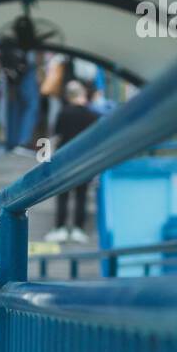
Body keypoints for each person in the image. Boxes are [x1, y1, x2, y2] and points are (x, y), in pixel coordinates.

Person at [44, 80, 99, 244]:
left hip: (64, 159)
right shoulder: (92, 115)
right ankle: (78, 229)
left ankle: (60, 228)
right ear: (83, 95)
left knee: (63, 194)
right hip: (83, 160)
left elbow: (56, 135)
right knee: (81, 195)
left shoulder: (63, 113)